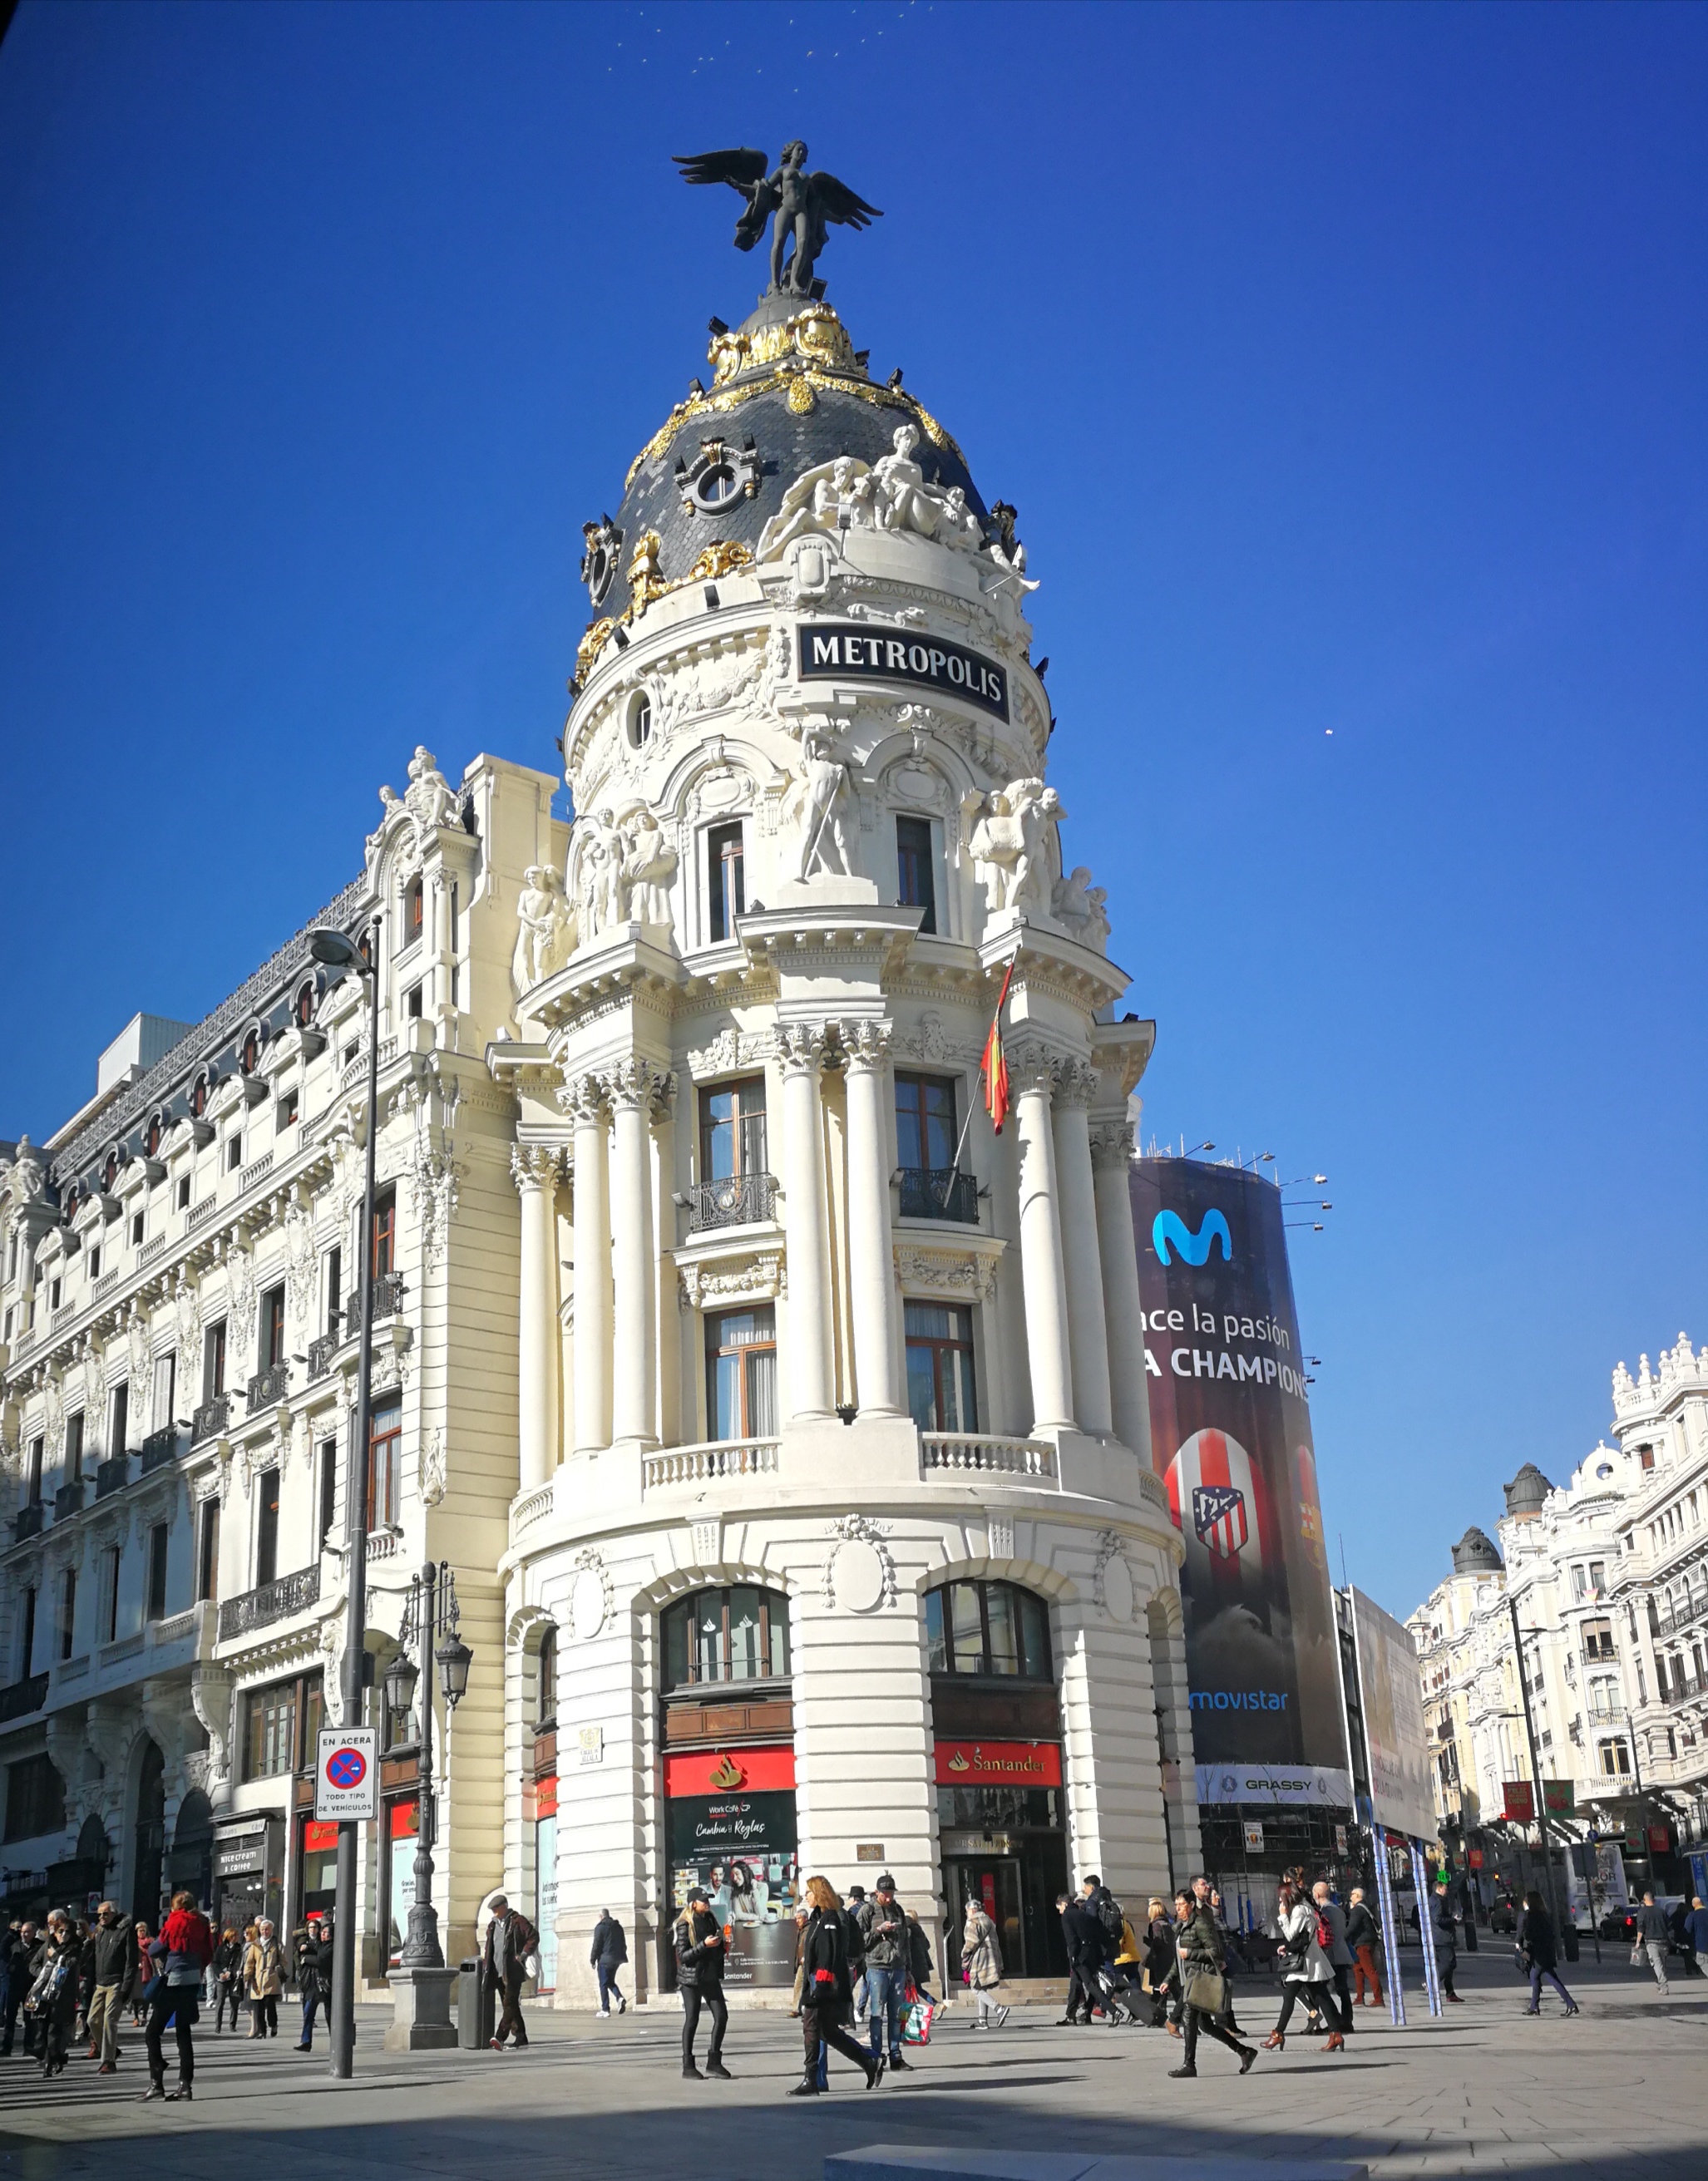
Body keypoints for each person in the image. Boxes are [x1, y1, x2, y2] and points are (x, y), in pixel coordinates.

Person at [789, 1875, 882, 2096]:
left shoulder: (829, 1918)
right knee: (827, 2031)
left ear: (819, 1894)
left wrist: (821, 1985)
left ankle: (811, 2079)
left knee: (811, 2028)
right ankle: (868, 2061)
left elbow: (829, 1955)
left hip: (823, 1984)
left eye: (809, 1892)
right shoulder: (818, 1917)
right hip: (818, 1982)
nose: (806, 1896)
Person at [1167, 1887, 1256, 2079]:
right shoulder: (1180, 1927)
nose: (1178, 1908)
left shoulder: (1200, 1924)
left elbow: (1214, 1951)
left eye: (1181, 1904)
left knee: (1188, 2018)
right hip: (1189, 1979)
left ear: (1191, 1905)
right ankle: (1244, 2051)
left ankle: (1189, 2065)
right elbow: (1178, 1959)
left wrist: (1191, 1953)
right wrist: (1168, 1979)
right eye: (1176, 1905)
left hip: (1200, 1980)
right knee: (1205, 2025)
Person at [142, 1890, 213, 2101]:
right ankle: (185, 2085)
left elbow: (155, 1949)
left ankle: (157, 2080)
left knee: (152, 2031)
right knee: (184, 2033)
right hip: (192, 1980)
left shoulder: (175, 1922)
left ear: (176, 1906)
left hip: (173, 1980)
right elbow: (208, 1951)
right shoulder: (202, 1923)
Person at [1266, 1882, 1345, 2052]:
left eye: (1281, 1898)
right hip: (1310, 1960)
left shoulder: (1299, 1910)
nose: (1280, 1901)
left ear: (1288, 1896)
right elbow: (1301, 1938)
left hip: (1303, 1963)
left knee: (1290, 1995)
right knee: (1321, 1996)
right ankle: (1335, 2034)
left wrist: (1283, 1917)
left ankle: (1278, 2034)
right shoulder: (1306, 1907)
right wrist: (1287, 1946)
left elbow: (1291, 1934)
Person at [856, 1874, 912, 2072]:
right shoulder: (867, 1911)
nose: (888, 1898)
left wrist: (908, 1969)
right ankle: (876, 2056)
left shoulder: (898, 1910)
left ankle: (896, 2056)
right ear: (877, 1892)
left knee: (896, 2015)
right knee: (877, 2014)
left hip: (897, 1967)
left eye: (891, 1894)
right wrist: (878, 1931)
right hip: (877, 1967)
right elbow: (858, 1941)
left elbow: (905, 1942)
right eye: (885, 1894)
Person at [674, 1886, 731, 2080]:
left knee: (722, 2016)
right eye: (704, 1900)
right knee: (692, 2019)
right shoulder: (685, 1924)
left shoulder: (710, 1919)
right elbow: (683, 1956)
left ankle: (714, 2062)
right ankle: (688, 2066)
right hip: (691, 1979)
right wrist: (704, 1945)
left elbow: (714, 1949)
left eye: (708, 1899)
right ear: (693, 1904)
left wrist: (723, 1946)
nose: (707, 1903)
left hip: (709, 1976)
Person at [24, 1911, 81, 2079]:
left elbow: (70, 1965)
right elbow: (33, 1964)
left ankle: (49, 2064)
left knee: (54, 2030)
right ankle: (58, 2057)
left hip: (62, 1995)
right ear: (55, 1932)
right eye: (60, 1931)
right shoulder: (48, 1945)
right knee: (42, 2028)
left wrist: (55, 1957)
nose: (64, 1935)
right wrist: (44, 1974)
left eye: (67, 1932)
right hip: (43, 1994)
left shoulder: (76, 1947)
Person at [481, 1893, 539, 2052]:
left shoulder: (517, 1921)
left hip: (513, 1970)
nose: (494, 1911)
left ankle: (500, 2037)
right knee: (511, 2006)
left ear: (504, 1907)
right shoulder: (492, 1926)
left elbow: (533, 1937)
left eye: (496, 1908)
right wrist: (487, 1966)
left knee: (509, 2004)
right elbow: (489, 1948)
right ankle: (521, 2037)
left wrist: (523, 1954)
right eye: (492, 1909)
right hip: (497, 1971)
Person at [86, 1902, 137, 2073]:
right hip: (100, 1983)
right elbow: (94, 1958)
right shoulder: (99, 1932)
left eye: (105, 1914)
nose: (101, 1917)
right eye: (99, 1914)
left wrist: (126, 1987)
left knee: (109, 2020)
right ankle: (112, 2050)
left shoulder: (125, 1931)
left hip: (116, 1983)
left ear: (114, 1914)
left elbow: (131, 1962)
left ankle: (108, 2061)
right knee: (92, 2020)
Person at [1518, 1888, 1578, 2016]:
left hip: (1540, 1954)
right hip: (1547, 1952)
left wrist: (1524, 1932)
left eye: (1526, 1901)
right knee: (1549, 1977)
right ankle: (1569, 2004)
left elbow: (1530, 1935)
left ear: (1530, 1902)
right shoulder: (1544, 1915)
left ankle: (1535, 2007)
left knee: (1536, 1977)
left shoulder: (1532, 1916)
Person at [1313, 1881, 1355, 2036]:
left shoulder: (1323, 1912)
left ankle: (1334, 2021)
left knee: (1321, 1990)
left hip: (1329, 1955)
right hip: (1342, 1953)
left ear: (1317, 1894)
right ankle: (1347, 2022)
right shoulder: (1339, 1911)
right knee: (1343, 1990)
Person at [960, 1895, 1009, 2029]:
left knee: (975, 1988)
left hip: (979, 1958)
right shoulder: (988, 1921)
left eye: (967, 1911)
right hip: (990, 1956)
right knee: (981, 1987)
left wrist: (964, 1954)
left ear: (972, 1910)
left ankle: (999, 2009)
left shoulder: (974, 1922)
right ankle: (982, 2020)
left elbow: (971, 1942)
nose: (967, 1914)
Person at [294, 1912, 333, 2050]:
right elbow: (298, 1956)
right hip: (310, 1981)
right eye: (311, 1928)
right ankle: (306, 2041)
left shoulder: (324, 1945)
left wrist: (307, 1958)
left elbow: (321, 1959)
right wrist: (300, 1968)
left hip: (323, 1980)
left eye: (316, 1928)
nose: (314, 1931)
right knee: (308, 2012)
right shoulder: (304, 1942)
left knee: (329, 2014)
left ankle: (335, 2040)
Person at [1141, 1897, 1181, 2031]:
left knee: (1163, 1988)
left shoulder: (1156, 1925)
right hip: (1169, 1959)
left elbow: (1158, 1943)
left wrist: (1148, 1942)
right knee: (1168, 1989)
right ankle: (1159, 2014)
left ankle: (1160, 2015)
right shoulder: (1167, 1923)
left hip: (1160, 1961)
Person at [242, 1917, 284, 2037]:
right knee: (258, 2008)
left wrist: (279, 1967)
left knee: (270, 2005)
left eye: (267, 1929)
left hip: (271, 1979)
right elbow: (249, 1963)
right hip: (257, 1980)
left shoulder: (276, 1943)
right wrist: (247, 1977)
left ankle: (273, 2025)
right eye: (262, 1930)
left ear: (271, 1930)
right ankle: (262, 2031)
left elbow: (283, 1959)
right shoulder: (255, 1945)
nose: (264, 1932)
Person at [1, 1920, 36, 2056]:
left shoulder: (39, 1946)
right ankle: (6, 2047)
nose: (24, 1935)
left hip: (31, 1988)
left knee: (30, 2019)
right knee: (10, 2018)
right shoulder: (15, 1945)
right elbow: (3, 1952)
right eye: (22, 1932)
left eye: (27, 1932)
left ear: (33, 1933)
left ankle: (29, 2047)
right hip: (15, 1986)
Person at [1345, 1886, 1384, 2007]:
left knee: (1369, 1970)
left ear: (1357, 1896)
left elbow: (1352, 1926)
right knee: (1358, 1970)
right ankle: (1359, 1997)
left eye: (1352, 1894)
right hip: (1366, 1942)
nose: (1350, 1897)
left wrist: (1342, 1937)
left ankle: (1378, 1998)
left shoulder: (1358, 1910)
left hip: (1363, 1943)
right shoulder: (1365, 1907)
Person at [590, 1907, 628, 2017]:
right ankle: (619, 1998)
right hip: (617, 1959)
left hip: (605, 1960)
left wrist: (592, 1959)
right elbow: (623, 1944)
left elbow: (596, 1945)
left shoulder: (600, 1927)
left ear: (601, 1916)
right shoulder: (618, 1927)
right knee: (610, 1981)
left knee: (603, 1984)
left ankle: (605, 2009)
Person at [1631, 1890, 1671, 1996]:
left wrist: (1638, 1943)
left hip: (1651, 1942)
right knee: (1662, 1965)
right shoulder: (1662, 1911)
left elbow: (1641, 1928)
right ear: (1654, 1900)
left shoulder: (1642, 1912)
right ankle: (1659, 1983)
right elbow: (1668, 1926)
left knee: (1657, 1965)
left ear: (1644, 1900)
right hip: (1664, 1941)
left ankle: (1664, 1986)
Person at [1429, 1881, 1463, 2002]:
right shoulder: (1438, 1901)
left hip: (1441, 1937)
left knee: (1451, 1964)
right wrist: (1453, 1920)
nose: (1447, 1891)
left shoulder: (1435, 1900)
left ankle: (1450, 1992)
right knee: (1448, 1963)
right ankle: (1432, 1982)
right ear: (1439, 1889)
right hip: (1442, 1938)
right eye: (1445, 1889)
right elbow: (1437, 1919)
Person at [210, 1923, 244, 2035]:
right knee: (220, 2002)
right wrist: (220, 1973)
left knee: (234, 2002)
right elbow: (215, 1962)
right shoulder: (221, 1948)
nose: (236, 1937)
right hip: (222, 1978)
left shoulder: (239, 1948)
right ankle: (218, 2026)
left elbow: (239, 1962)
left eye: (237, 1935)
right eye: (234, 1936)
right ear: (229, 1937)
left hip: (233, 1978)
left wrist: (231, 1972)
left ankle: (232, 2025)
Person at [844, 1885, 868, 2031]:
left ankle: (850, 2017)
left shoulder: (852, 1912)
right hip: (871, 1953)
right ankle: (860, 2011)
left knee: (848, 1986)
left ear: (853, 1898)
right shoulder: (870, 1908)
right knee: (868, 1983)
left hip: (857, 1954)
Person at [1683, 1895, 1708, 1980]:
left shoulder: (1692, 1915)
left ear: (1693, 1905)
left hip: (1701, 1945)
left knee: (1702, 1962)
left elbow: (1687, 1930)